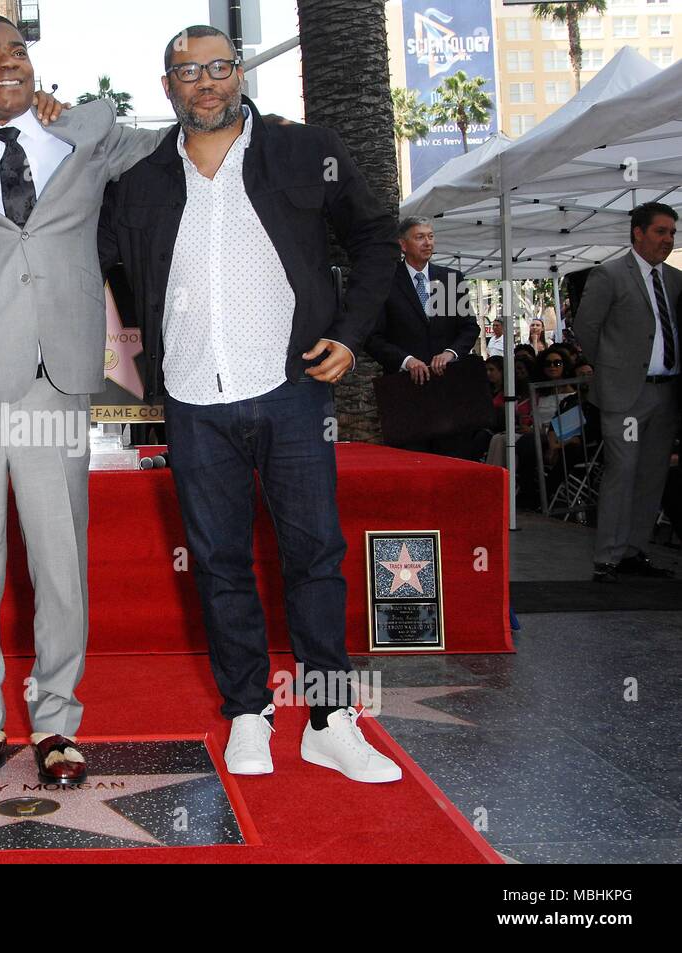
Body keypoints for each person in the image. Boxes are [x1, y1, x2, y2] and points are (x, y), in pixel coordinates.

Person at [98, 25, 403, 783]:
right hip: (195, 400)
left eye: (219, 67)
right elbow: (86, 268)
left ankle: (331, 719)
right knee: (219, 562)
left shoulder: (306, 152)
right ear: (167, 86)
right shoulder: (138, 183)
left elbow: (376, 238)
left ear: (239, 73)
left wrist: (349, 332)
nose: (206, 82)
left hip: (294, 389)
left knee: (316, 555)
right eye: (187, 71)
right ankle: (247, 713)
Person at [0, 14, 164, 787]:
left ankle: (56, 720)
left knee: (59, 561)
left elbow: (180, 144)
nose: (9, 64)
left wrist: (241, 112)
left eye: (20, 52)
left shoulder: (85, 136)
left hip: (54, 379)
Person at [575, 202, 681, 582]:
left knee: (653, 474)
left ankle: (636, 551)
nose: (667, 239)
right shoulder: (609, 274)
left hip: (666, 393)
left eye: (672, 232)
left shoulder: (674, 279)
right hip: (625, 396)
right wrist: (611, 370)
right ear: (638, 232)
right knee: (624, 470)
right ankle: (608, 557)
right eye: (660, 231)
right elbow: (586, 328)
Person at [365, 216, 480, 457]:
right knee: (412, 463)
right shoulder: (386, 281)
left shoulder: (449, 280)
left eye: (430, 236)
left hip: (448, 394)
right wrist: (406, 361)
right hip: (406, 395)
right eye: (420, 237)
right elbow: (372, 338)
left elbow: (469, 328)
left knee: (452, 461)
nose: (427, 242)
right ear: (403, 245)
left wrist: (451, 353)